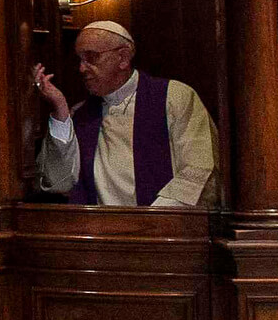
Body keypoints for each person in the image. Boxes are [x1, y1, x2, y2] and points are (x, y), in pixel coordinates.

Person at [33, 21, 219, 207]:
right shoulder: (82, 114)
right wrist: (60, 108)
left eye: (91, 57)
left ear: (123, 58)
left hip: (161, 222)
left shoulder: (174, 98)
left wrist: (151, 218)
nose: (82, 68)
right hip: (99, 223)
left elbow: (200, 171)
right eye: (80, 59)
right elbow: (58, 183)